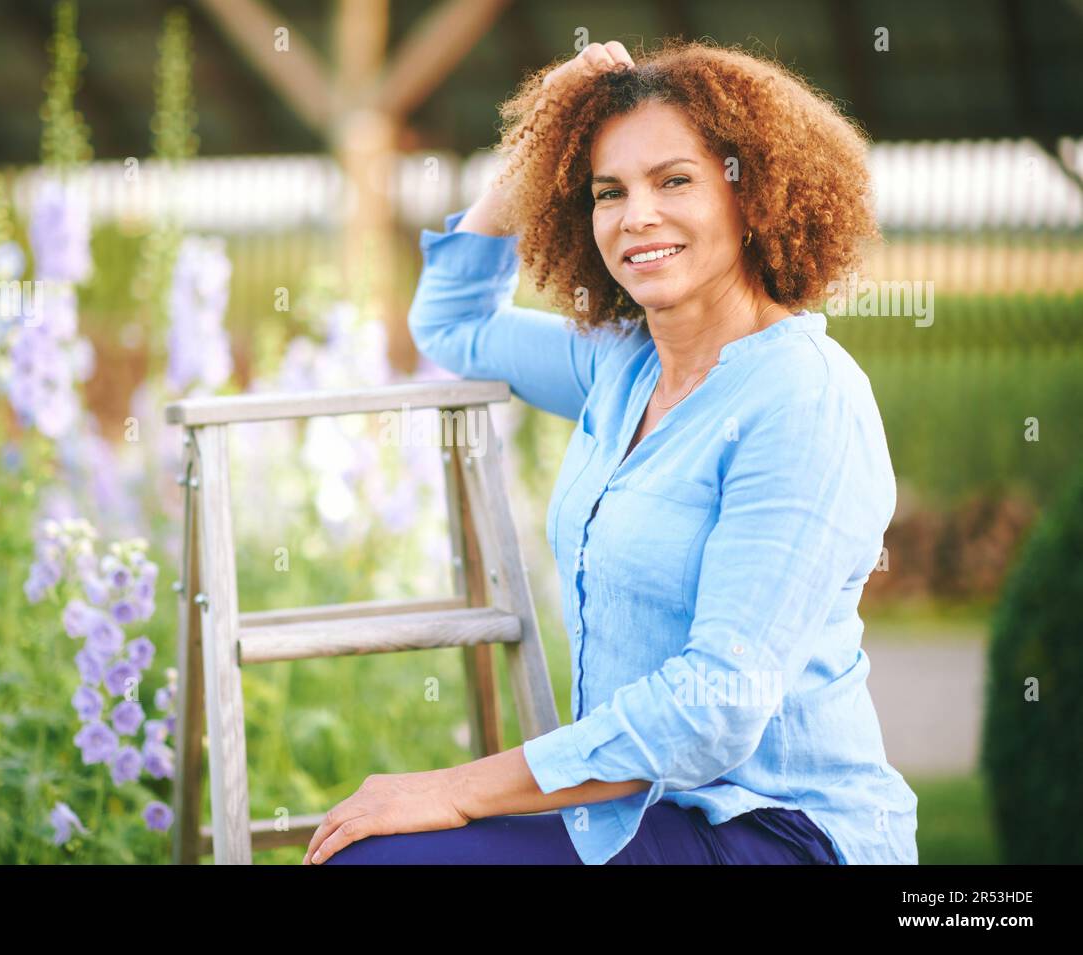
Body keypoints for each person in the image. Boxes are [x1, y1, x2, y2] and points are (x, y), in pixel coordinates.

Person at [305, 37, 918, 866]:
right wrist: (534, 146)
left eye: (675, 181)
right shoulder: (621, 365)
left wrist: (449, 787)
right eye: (607, 191)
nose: (637, 217)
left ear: (754, 193)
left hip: (777, 829)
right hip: (639, 811)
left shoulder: (804, 399)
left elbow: (713, 710)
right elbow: (449, 324)